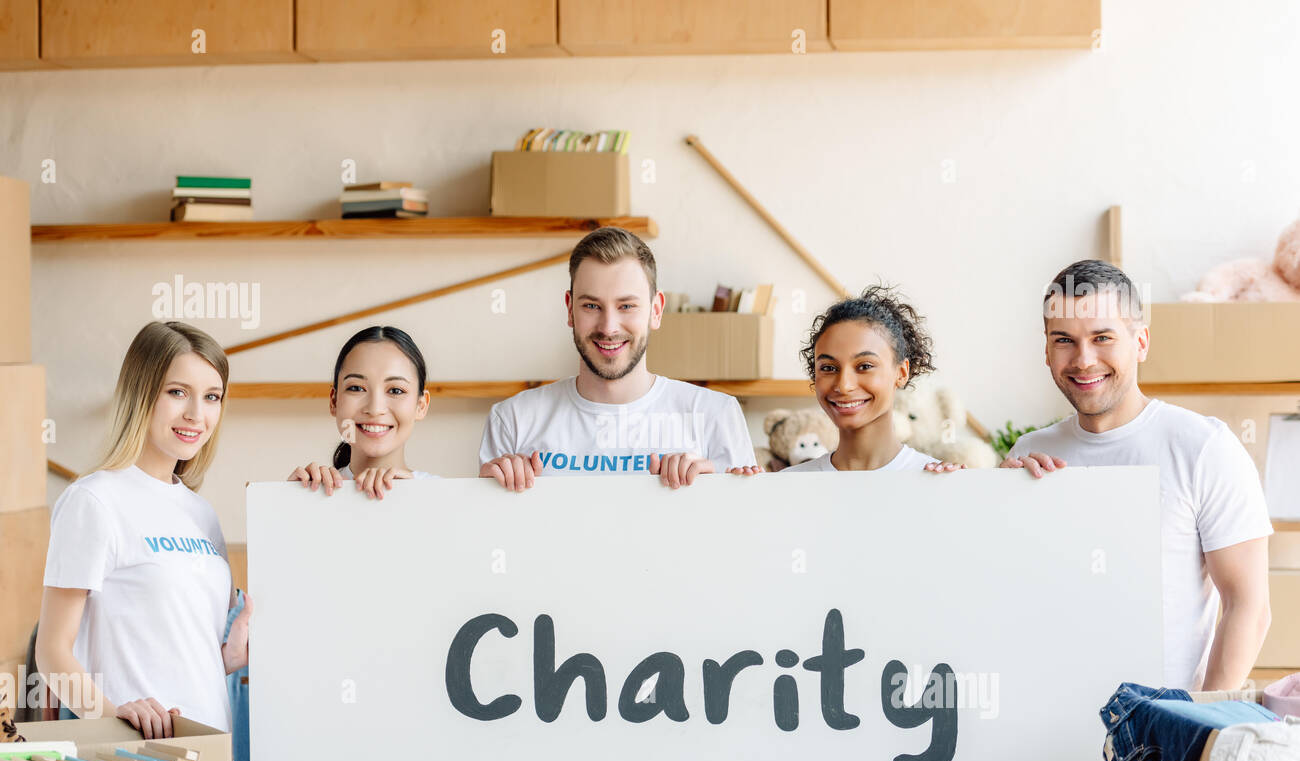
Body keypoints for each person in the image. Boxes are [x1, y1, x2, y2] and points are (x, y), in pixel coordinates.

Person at [1002, 259, 1272, 691]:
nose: (1083, 359)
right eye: (1064, 341)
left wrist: (1195, 724)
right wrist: (999, 503)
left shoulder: (1204, 447)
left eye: (1102, 337)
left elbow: (1249, 606)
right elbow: (1005, 601)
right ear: (1047, 351)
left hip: (1161, 736)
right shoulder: (1029, 454)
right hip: (1043, 725)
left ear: (1141, 341)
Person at [36, 321, 251, 738]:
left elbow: (175, 651)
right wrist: (115, 722)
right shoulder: (94, 501)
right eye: (177, 392)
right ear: (141, 392)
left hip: (209, 745)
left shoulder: (202, 514)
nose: (196, 414)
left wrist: (227, 655)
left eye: (211, 397)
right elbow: (52, 653)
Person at [478, 226, 760, 490]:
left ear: (656, 310)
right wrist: (483, 499)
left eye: (626, 306)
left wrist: (716, 497)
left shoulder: (716, 415)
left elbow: (745, 536)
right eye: (591, 305)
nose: (608, 327)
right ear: (569, 309)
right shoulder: (512, 420)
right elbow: (489, 539)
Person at [785, 286, 963, 474]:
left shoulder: (934, 479)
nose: (844, 386)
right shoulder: (790, 484)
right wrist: (753, 491)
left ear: (901, 373)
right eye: (829, 368)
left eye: (865, 366)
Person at [287, 325, 437, 499]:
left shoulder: (444, 497)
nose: (375, 409)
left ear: (421, 405)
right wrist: (287, 505)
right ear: (334, 400)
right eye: (357, 388)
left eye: (395, 390)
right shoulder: (310, 493)